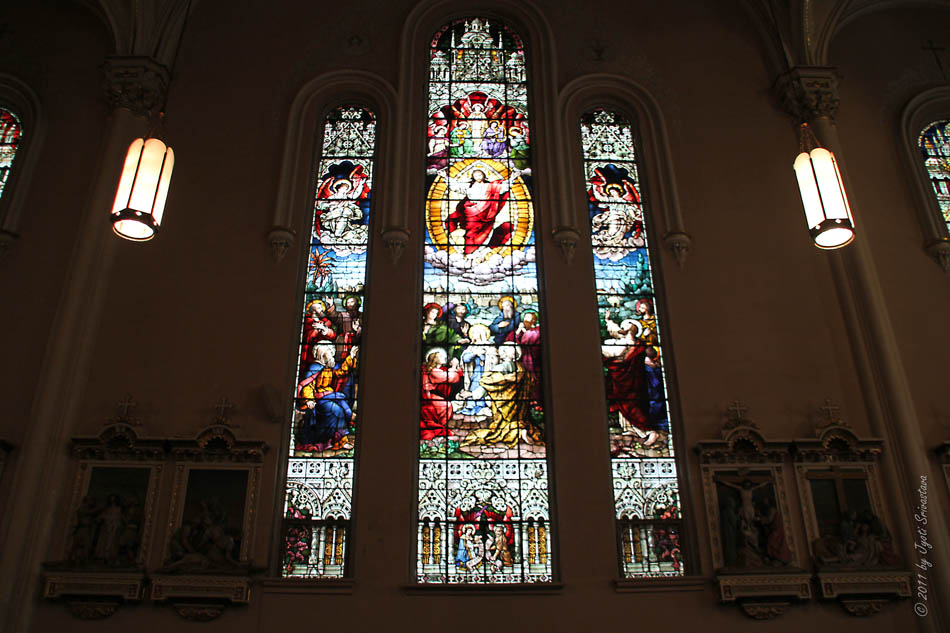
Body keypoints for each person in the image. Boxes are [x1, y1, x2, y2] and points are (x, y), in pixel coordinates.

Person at [460, 343, 541, 448]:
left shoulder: (503, 366)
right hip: (518, 402)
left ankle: (517, 432)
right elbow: (530, 382)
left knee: (502, 425)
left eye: (513, 349)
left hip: (506, 401)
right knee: (515, 419)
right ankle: (520, 431)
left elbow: (491, 382)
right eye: (510, 349)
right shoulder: (520, 367)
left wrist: (473, 393)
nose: (513, 350)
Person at [602, 310, 659, 446]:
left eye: (628, 324)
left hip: (633, 379)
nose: (625, 326)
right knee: (622, 403)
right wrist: (608, 320)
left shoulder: (637, 344)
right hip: (621, 378)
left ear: (634, 329)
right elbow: (614, 330)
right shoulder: (622, 341)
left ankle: (651, 431)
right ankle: (629, 429)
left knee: (632, 404)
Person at [295, 343, 358, 451]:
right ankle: (339, 440)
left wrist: (351, 357)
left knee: (341, 400)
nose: (330, 356)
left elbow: (341, 372)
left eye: (330, 354)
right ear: (321, 356)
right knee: (336, 410)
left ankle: (349, 418)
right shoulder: (314, 367)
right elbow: (307, 386)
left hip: (329, 396)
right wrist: (309, 400)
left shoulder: (327, 369)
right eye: (327, 354)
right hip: (318, 399)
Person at [446, 169, 513, 255]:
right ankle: (469, 253)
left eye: (480, 175)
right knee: (470, 234)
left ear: (484, 176)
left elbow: (502, 188)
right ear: (473, 177)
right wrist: (445, 177)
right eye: (476, 175)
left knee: (484, 232)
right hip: (471, 213)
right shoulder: (469, 186)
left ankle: (479, 252)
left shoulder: (489, 186)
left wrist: (512, 178)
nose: (478, 177)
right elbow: (456, 187)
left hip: (486, 213)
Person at [420, 348, 463, 443]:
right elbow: (452, 377)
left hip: (430, 396)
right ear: (434, 358)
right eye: (440, 356)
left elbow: (448, 375)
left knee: (446, 406)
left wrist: (454, 369)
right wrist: (454, 366)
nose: (444, 357)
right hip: (427, 398)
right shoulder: (433, 370)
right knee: (447, 406)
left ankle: (438, 426)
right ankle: (438, 428)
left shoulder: (437, 370)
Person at [459, 323, 492, 416]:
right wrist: (475, 353)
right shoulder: (471, 347)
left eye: (476, 334)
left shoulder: (490, 346)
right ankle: (470, 407)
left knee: (483, 388)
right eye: (473, 334)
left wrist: (482, 355)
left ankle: (481, 407)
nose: (474, 336)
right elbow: (465, 359)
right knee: (472, 387)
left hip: (486, 372)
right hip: (475, 373)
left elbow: (492, 360)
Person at [300, 299, 337, 379]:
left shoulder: (326, 322)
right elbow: (308, 337)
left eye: (321, 308)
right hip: (310, 352)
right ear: (312, 311)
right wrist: (316, 330)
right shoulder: (307, 322)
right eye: (319, 308)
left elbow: (333, 335)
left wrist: (324, 329)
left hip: (325, 351)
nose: (322, 310)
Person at [512, 309, 541, 402]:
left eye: (529, 317)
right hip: (523, 360)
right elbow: (512, 341)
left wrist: (523, 330)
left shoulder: (537, 330)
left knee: (534, 380)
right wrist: (519, 331)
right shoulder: (520, 331)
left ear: (534, 319)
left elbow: (527, 340)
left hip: (533, 361)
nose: (526, 320)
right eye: (525, 317)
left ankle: (535, 401)